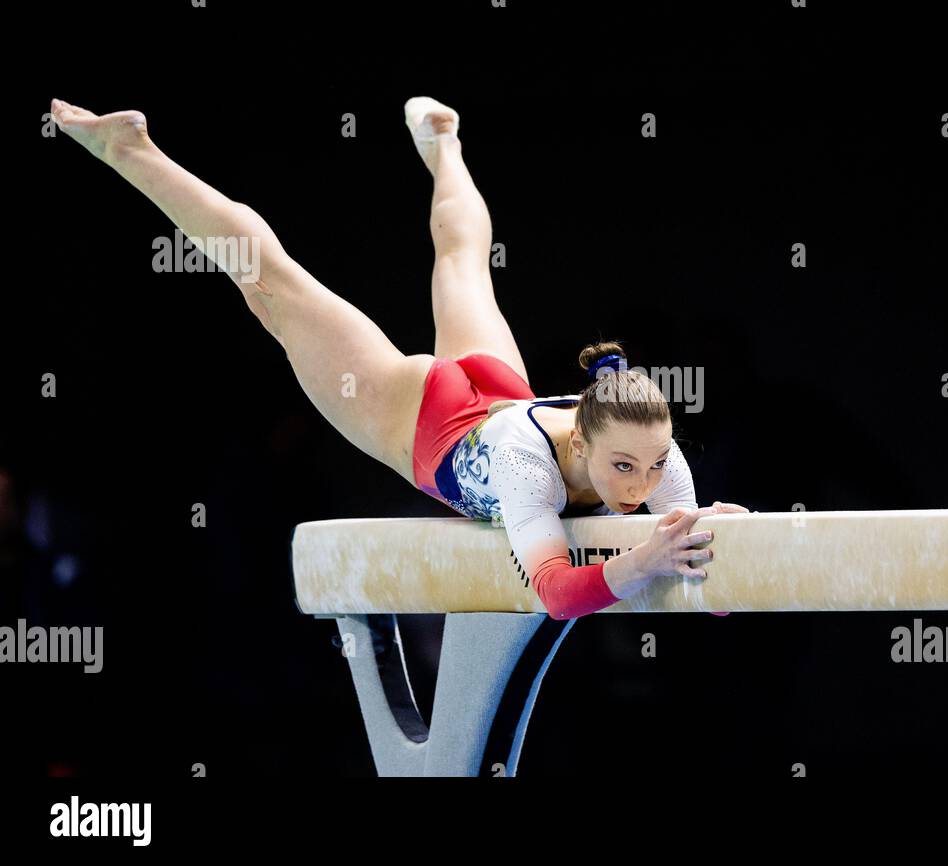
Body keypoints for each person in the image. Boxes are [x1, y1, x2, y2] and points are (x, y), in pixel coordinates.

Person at [49, 96, 746, 619]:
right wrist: (643, 559)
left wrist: (713, 553)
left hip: (503, 396)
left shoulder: (650, 445)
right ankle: (130, 150)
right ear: (585, 434)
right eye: (623, 467)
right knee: (273, 289)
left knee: (464, 262)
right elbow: (557, 594)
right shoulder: (527, 469)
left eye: (653, 466)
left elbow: (695, 569)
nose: (640, 484)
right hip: (427, 423)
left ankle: (442, 142)